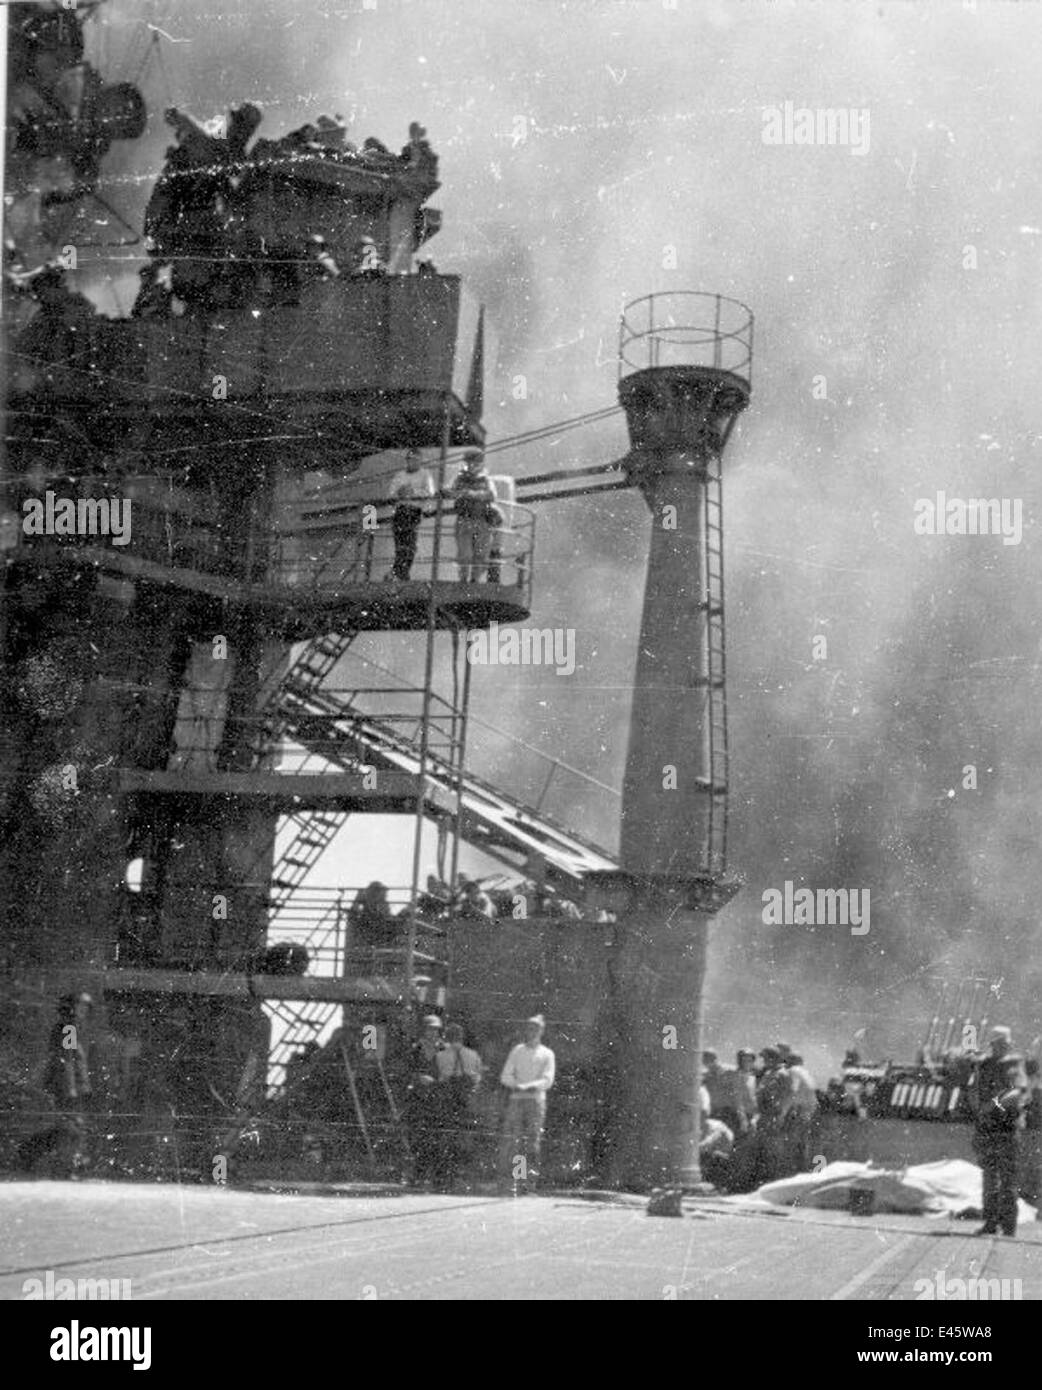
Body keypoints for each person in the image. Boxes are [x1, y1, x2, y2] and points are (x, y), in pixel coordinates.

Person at [18, 992, 93, 1174]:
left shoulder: (69, 1027)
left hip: (67, 1086)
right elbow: (66, 1059)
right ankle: (44, 1156)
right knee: (72, 1127)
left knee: (69, 1126)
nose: (84, 1011)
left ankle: (35, 1153)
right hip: (66, 1087)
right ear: (71, 1008)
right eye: (80, 1006)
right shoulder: (68, 1028)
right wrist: (71, 1088)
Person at [971, 1026, 1027, 1237]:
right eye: (997, 1043)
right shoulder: (984, 1065)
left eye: (1002, 1043)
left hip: (1007, 1128)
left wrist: (992, 1105)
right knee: (989, 1178)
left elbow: (1016, 1091)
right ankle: (990, 1222)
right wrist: (979, 1110)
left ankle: (1008, 1225)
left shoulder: (1013, 1065)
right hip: (987, 1127)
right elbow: (974, 1089)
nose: (1000, 1047)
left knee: (1007, 1179)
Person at [499, 1014, 555, 1192]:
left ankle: (530, 1183)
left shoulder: (547, 1054)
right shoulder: (517, 1051)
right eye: (529, 1028)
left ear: (541, 1031)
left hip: (536, 1102)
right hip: (517, 1101)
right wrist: (518, 1086)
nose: (532, 1032)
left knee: (533, 1142)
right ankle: (518, 1178)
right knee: (516, 1141)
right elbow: (505, 1075)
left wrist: (531, 1086)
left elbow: (548, 1079)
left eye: (536, 1028)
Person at [436, 1023, 484, 1189]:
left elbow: (439, 1077)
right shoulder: (473, 1055)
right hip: (466, 1103)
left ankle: (446, 1175)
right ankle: (464, 1174)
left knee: (446, 1136)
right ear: (462, 1037)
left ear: (447, 1037)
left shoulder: (440, 1056)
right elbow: (478, 1080)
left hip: (448, 1102)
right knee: (465, 1137)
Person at [406, 1015, 446, 1187]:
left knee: (438, 1137)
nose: (433, 1032)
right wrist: (417, 1077)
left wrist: (438, 1081)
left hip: (438, 1097)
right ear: (424, 1029)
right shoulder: (416, 1048)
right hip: (419, 1097)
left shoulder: (444, 1048)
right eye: (430, 1028)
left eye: (435, 1029)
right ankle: (417, 1175)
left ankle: (437, 1177)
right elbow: (406, 1070)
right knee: (418, 1137)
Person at [387, 448, 433, 581]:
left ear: (420, 461)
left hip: (414, 511)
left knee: (410, 544)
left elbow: (430, 493)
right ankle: (400, 573)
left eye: (415, 460)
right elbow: (391, 494)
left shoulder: (425, 475)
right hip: (400, 511)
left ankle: (400, 572)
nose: (411, 462)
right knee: (400, 544)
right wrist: (399, 493)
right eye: (409, 459)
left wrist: (413, 492)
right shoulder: (399, 475)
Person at [451, 452, 497, 583]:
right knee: (464, 554)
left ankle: (475, 579)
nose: (471, 466)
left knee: (481, 554)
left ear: (481, 464)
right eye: (469, 463)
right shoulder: (460, 479)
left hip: (482, 520)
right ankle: (463, 578)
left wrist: (472, 494)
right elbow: (453, 492)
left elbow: (492, 495)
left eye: (475, 463)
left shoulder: (486, 479)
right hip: (464, 520)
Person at [753, 1047, 796, 1186]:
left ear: (774, 1058)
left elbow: (789, 1096)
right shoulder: (769, 1073)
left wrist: (782, 1115)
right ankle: (765, 1180)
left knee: (774, 1150)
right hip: (764, 1115)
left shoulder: (783, 1074)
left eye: (767, 1058)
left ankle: (776, 1181)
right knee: (764, 1149)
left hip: (775, 1115)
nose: (764, 1061)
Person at [786, 1052, 819, 1172]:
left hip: (800, 1110)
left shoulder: (793, 1071)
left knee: (794, 1143)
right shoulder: (806, 1072)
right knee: (804, 1143)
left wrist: (783, 1111)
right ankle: (803, 1170)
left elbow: (793, 1091)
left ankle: (795, 1171)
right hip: (810, 1112)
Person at [1020, 1057, 1042, 1214]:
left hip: (1033, 1129)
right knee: (1031, 1166)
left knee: (1031, 1166)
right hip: (1032, 1130)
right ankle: (1031, 1199)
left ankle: (1031, 1200)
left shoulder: (1033, 1086)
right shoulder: (1032, 1084)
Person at [346, 881, 395, 950]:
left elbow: (388, 917)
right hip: (372, 933)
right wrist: (358, 900)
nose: (385, 894)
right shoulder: (369, 905)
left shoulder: (384, 904)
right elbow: (354, 913)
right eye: (381, 891)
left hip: (382, 932)